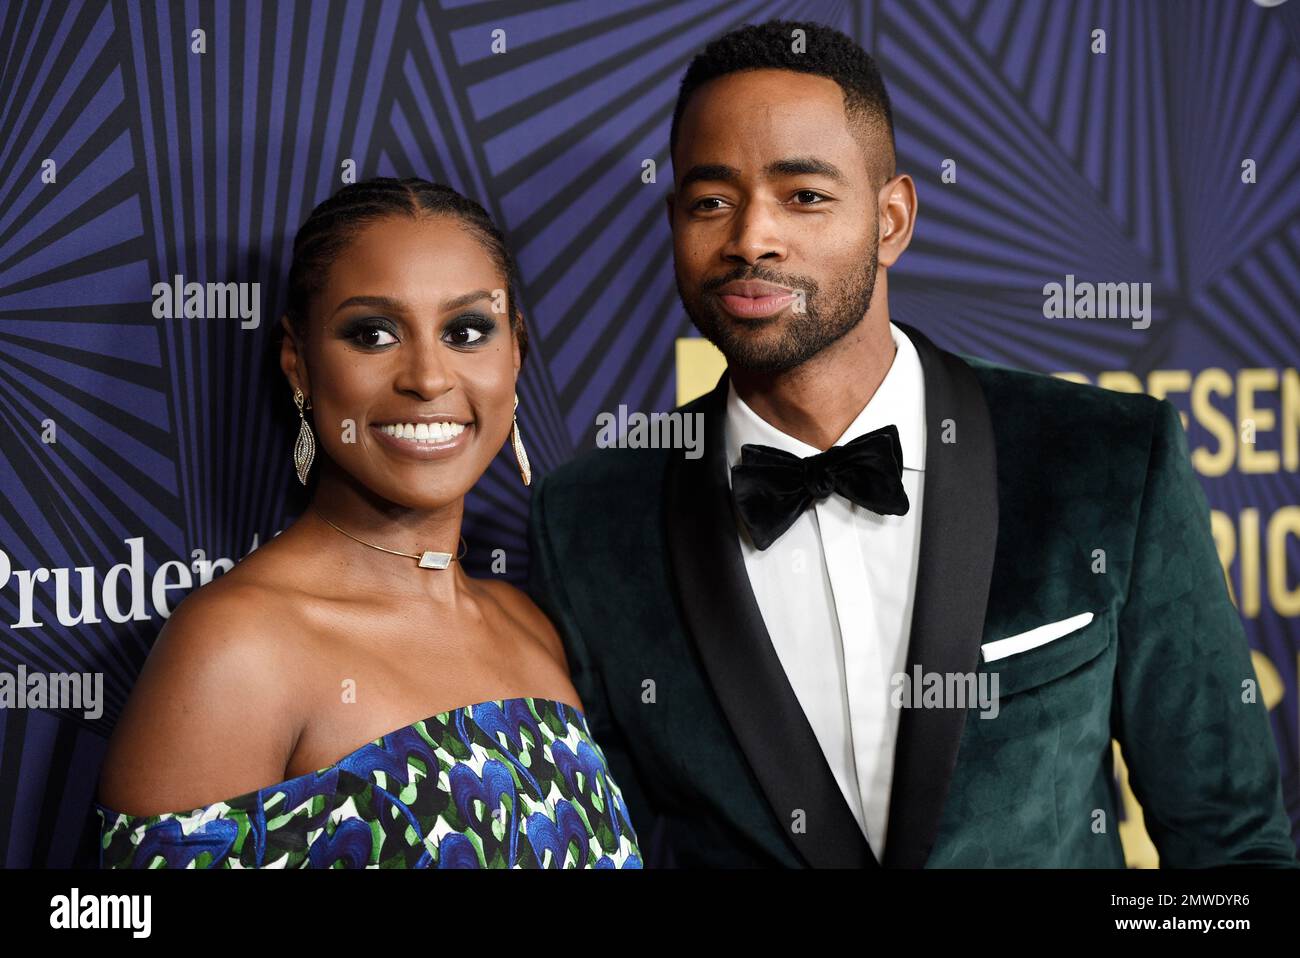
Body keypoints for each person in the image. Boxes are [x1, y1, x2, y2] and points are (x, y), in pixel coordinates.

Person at [526, 20, 1297, 868]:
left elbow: (1233, 849)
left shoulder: (1107, 457)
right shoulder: (588, 522)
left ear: (891, 220)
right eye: (711, 202)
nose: (751, 238)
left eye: (804, 196)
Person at [94, 177, 642, 869]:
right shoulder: (237, 651)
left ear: (515, 354)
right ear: (299, 363)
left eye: (467, 331)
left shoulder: (526, 624)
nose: (428, 377)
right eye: (373, 333)